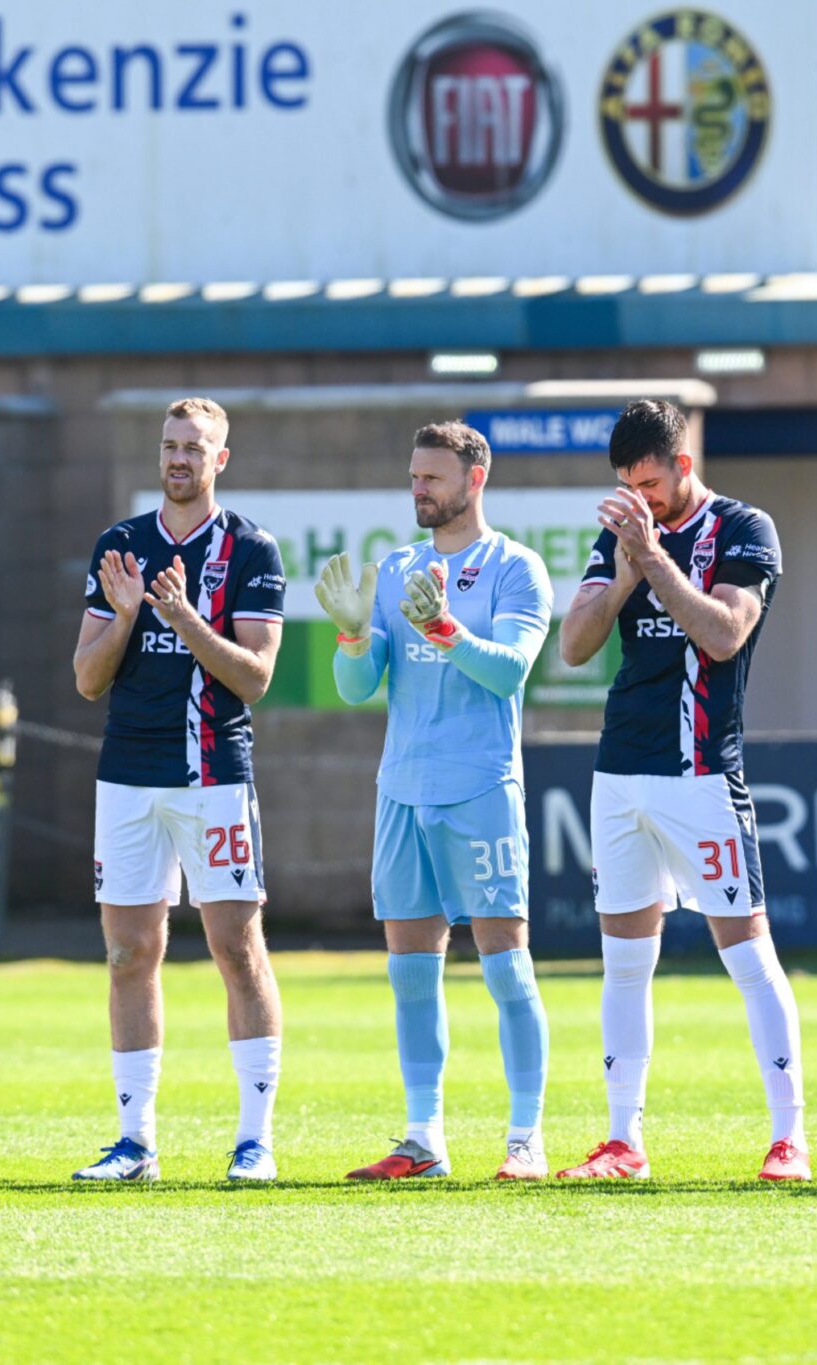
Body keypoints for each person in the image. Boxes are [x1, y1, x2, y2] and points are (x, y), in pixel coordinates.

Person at [552, 399, 807, 1181]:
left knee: (748, 956)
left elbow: (725, 633)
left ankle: (788, 1138)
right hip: (620, 767)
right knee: (624, 961)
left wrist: (654, 560)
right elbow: (574, 644)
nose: (642, 499)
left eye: (653, 482)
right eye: (628, 486)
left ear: (683, 465)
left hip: (700, 771)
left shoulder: (743, 529)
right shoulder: (623, 534)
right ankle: (623, 1140)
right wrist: (627, 566)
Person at [317, 420, 555, 1180]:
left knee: (507, 970)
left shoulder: (516, 568)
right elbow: (357, 688)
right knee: (411, 973)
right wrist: (354, 638)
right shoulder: (396, 567)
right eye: (414, 476)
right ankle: (423, 1138)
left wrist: (445, 629)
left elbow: (510, 671)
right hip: (402, 791)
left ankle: (525, 1138)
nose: (418, 488)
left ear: (474, 479)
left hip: (481, 786)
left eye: (433, 478)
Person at [72, 397, 287, 1183]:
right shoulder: (119, 546)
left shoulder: (252, 550)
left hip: (213, 778)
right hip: (129, 777)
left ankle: (255, 1139)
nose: (179, 460)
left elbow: (255, 676)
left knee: (236, 946)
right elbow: (88, 677)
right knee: (130, 951)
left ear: (220, 459)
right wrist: (127, 614)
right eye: (169, 446)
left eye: (195, 447)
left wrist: (187, 618)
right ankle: (135, 1142)